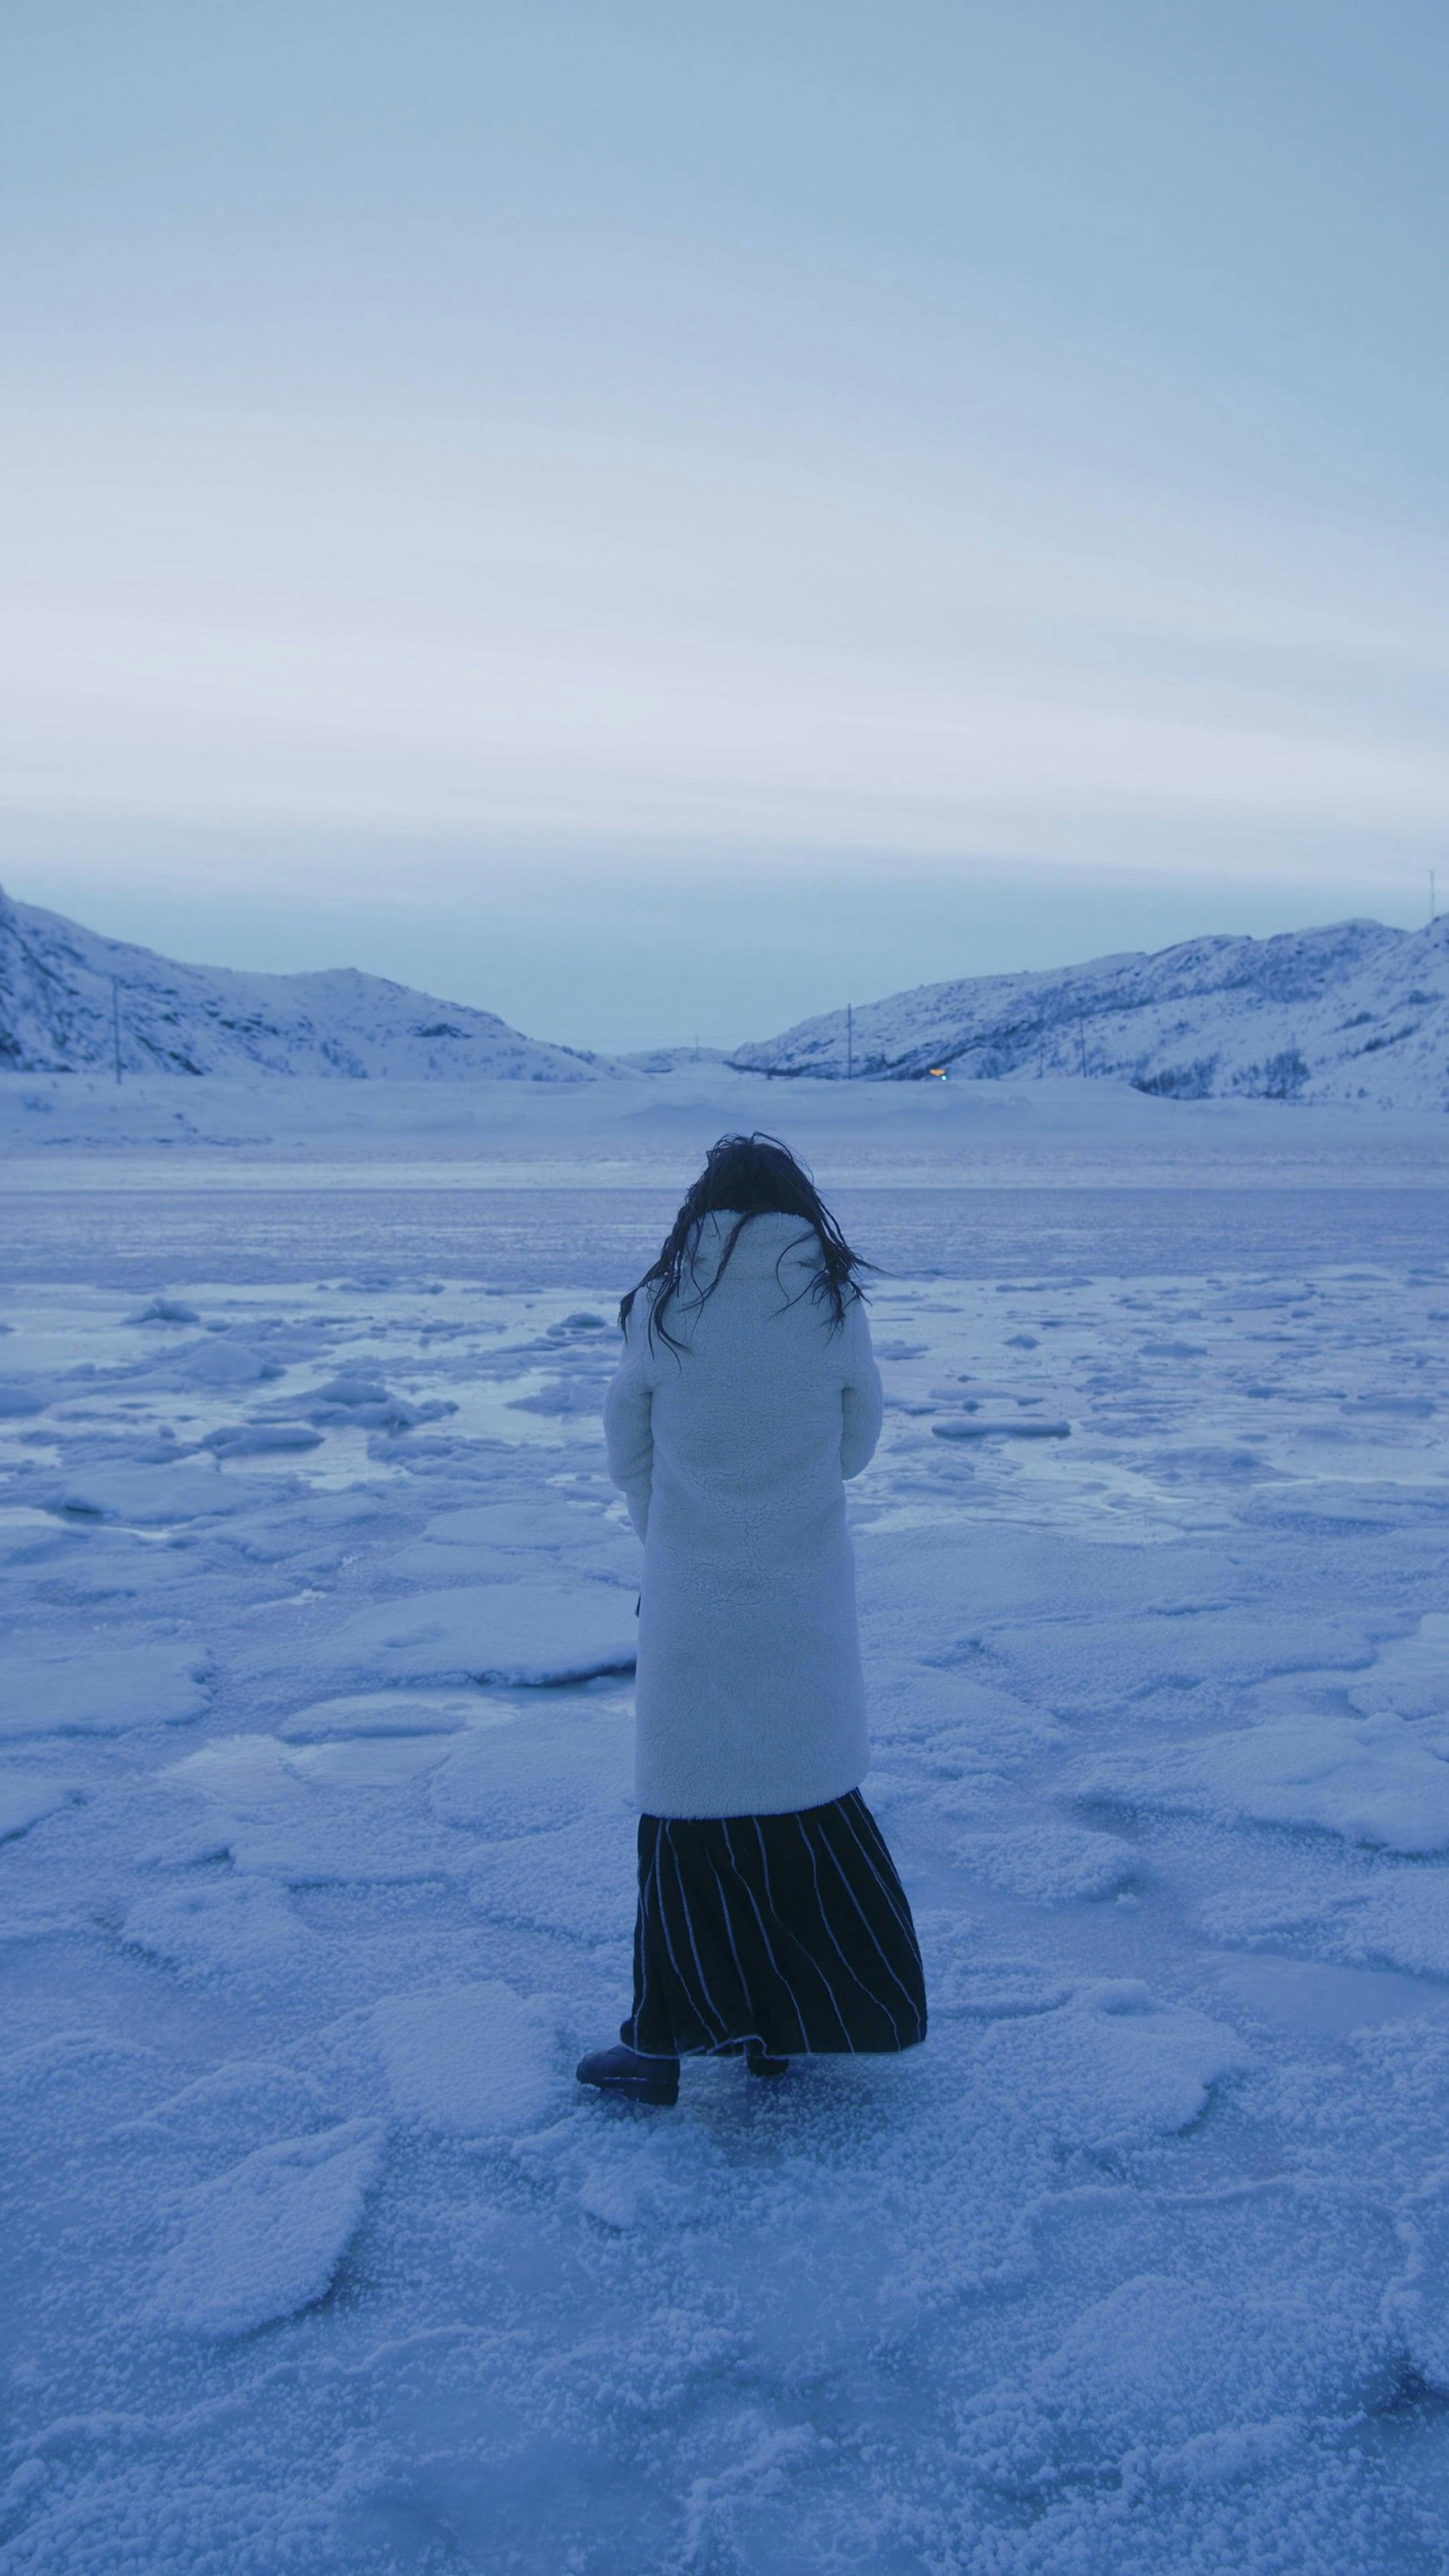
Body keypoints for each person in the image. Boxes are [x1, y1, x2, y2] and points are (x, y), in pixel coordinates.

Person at [578, 1132, 927, 2106]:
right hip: (803, 1596)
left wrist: (674, 1536)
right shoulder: (830, 1303)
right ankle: (782, 2026)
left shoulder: (663, 1305)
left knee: (688, 1820)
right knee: (803, 1799)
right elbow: (858, 1443)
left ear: (705, 1209)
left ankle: (658, 2047)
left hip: (692, 1603)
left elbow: (625, 1446)